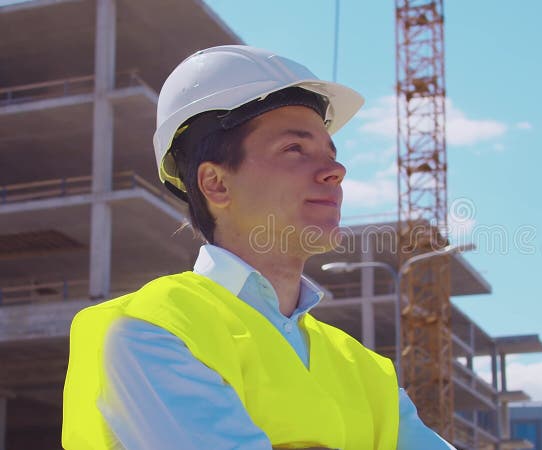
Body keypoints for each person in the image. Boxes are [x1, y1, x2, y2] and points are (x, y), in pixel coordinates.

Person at [62, 45, 455, 450]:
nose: (335, 171)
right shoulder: (147, 332)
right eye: (294, 149)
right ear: (216, 183)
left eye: (331, 155)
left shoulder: (369, 374)